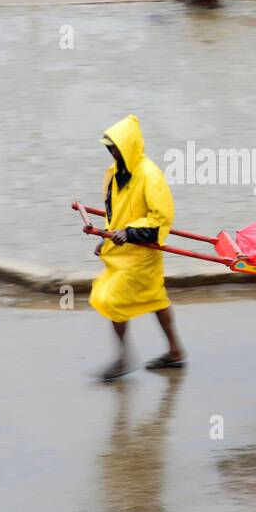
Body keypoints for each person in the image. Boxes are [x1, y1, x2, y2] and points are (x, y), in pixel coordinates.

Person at [90, 115, 186, 380]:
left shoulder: (149, 175)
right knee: (155, 298)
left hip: (142, 252)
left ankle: (122, 358)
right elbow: (114, 213)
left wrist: (129, 232)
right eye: (110, 149)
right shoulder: (114, 174)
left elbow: (161, 218)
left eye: (116, 148)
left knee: (114, 299)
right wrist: (107, 236)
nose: (112, 153)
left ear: (128, 146)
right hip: (122, 250)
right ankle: (175, 351)